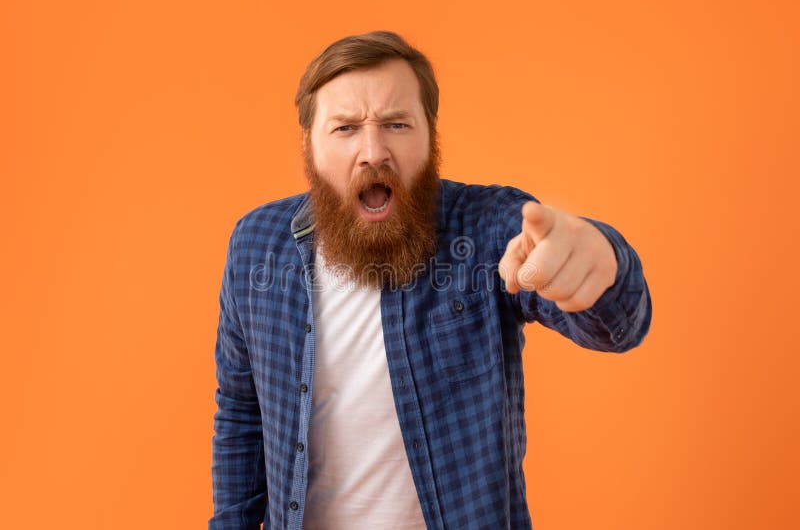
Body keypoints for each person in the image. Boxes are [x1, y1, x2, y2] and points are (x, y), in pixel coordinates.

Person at [209, 31, 652, 530]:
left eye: (397, 124)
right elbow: (241, 415)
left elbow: (617, 324)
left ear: (430, 134)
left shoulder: (488, 227)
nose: (373, 151)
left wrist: (602, 262)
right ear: (308, 144)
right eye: (346, 128)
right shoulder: (255, 245)